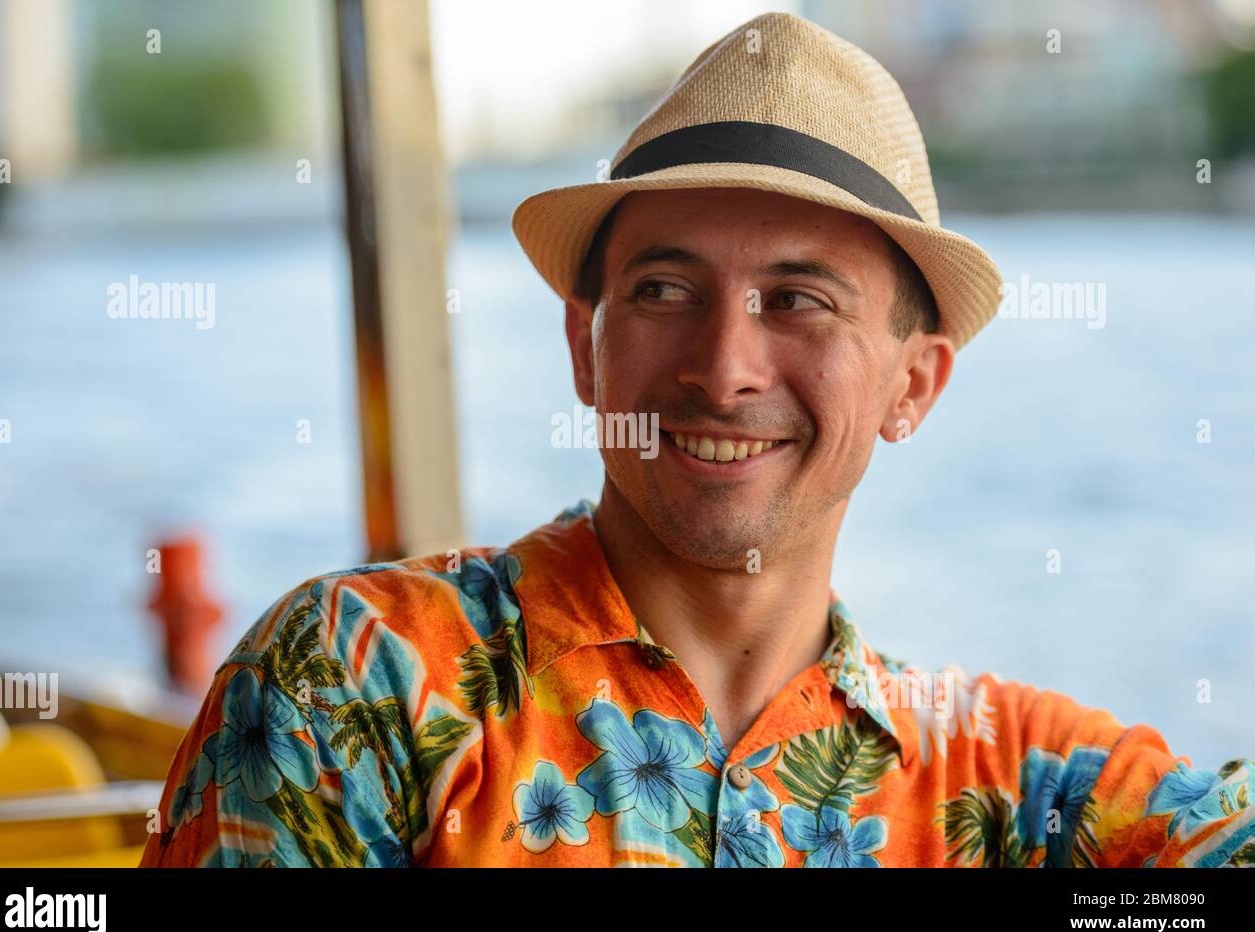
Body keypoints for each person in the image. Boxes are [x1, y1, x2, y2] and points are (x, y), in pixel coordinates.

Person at [141, 12, 1253, 868]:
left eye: (799, 299)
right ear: (587, 347)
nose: (723, 368)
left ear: (914, 386)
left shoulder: (1013, 788)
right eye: (666, 289)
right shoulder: (360, 680)